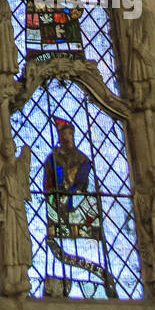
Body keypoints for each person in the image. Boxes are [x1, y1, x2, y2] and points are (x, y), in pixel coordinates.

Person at [42, 117, 114, 298]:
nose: (65, 138)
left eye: (68, 134)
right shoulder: (53, 158)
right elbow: (49, 182)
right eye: (62, 135)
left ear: (72, 136)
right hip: (57, 204)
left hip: (78, 201)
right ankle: (58, 283)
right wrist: (56, 194)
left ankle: (98, 281)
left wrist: (72, 193)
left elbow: (82, 180)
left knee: (87, 212)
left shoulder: (83, 160)